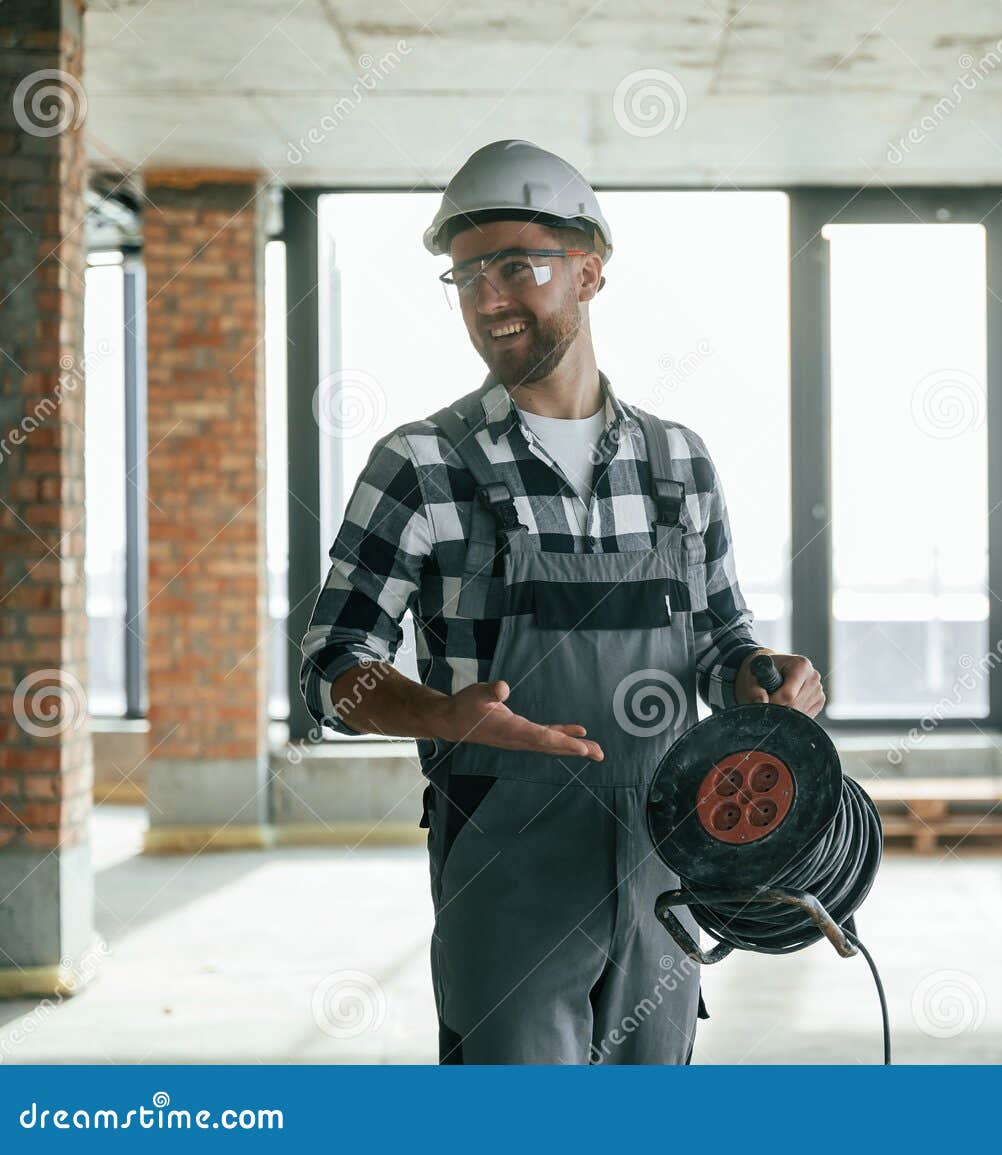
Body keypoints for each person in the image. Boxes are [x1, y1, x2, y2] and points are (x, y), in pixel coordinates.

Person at [298, 139, 824, 1064]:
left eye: (518, 266)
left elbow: (718, 639)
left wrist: (759, 676)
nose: (488, 298)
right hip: (507, 867)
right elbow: (329, 673)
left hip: (668, 855)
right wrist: (443, 715)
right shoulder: (422, 465)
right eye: (464, 276)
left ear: (590, 273)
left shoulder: (679, 461)